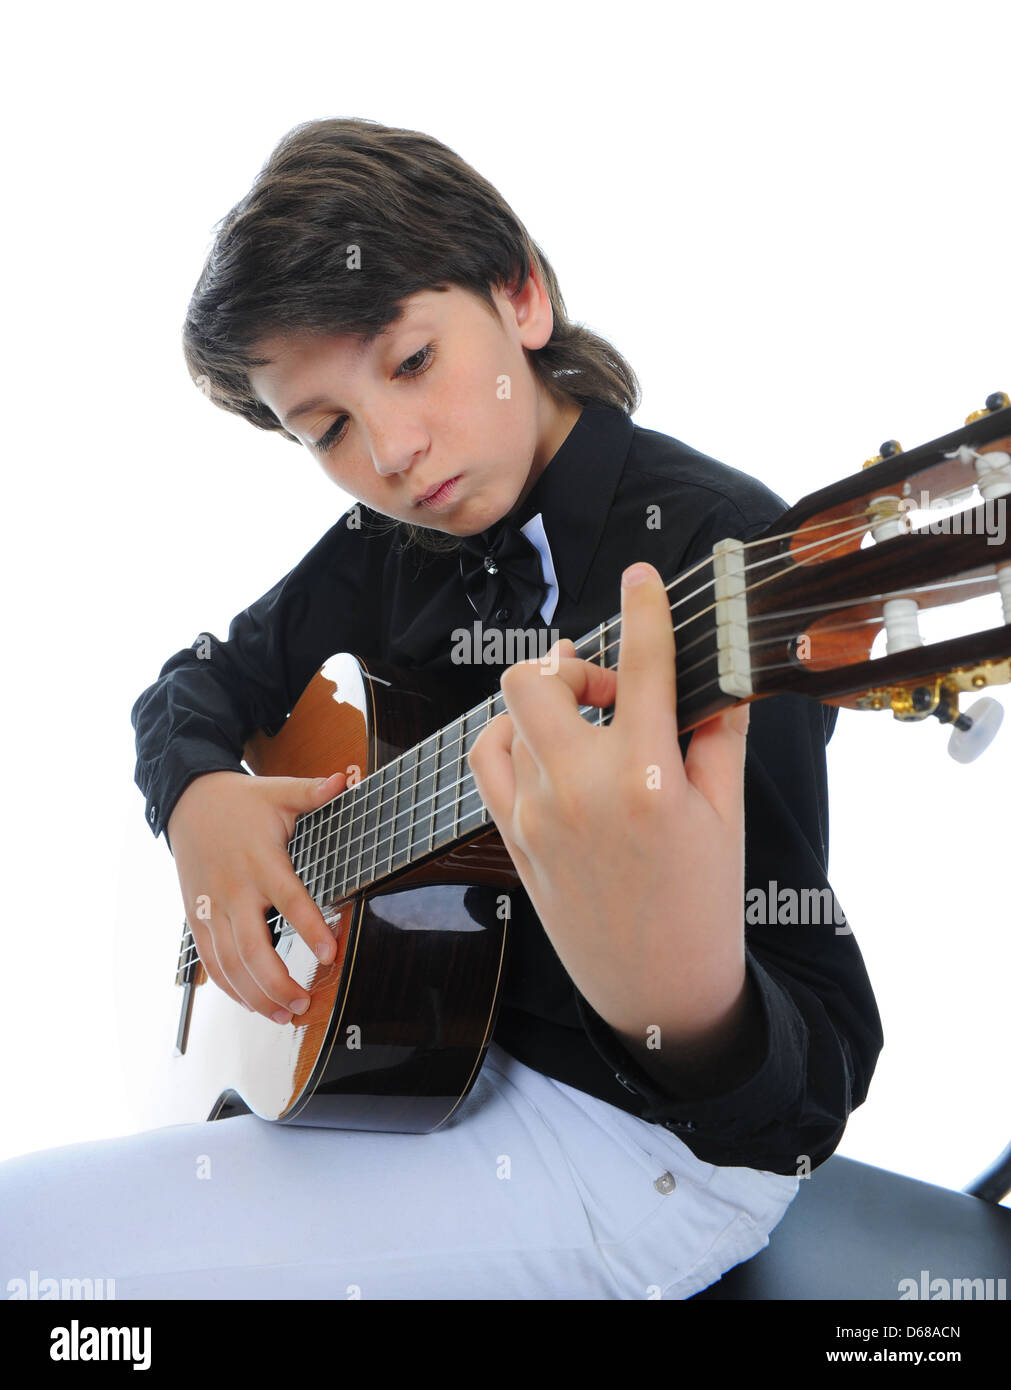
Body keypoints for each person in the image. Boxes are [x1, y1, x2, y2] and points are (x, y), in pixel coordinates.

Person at [0, 117, 883, 1301]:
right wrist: (199, 800)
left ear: (520, 296)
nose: (397, 452)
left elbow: (811, 1074)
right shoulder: (393, 543)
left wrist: (679, 999)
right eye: (328, 431)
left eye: (410, 363)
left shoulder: (719, 557)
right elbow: (196, 682)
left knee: (41, 1260)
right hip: (427, 1069)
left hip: (648, 1154)